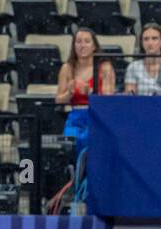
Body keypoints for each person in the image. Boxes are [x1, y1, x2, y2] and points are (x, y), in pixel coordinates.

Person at [56, 27, 115, 164]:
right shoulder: (67, 68)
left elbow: (107, 99)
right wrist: (70, 93)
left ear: (94, 46)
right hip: (75, 116)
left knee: (90, 146)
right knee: (70, 148)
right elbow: (59, 99)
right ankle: (74, 177)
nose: (82, 45)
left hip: (97, 117)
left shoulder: (104, 67)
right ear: (74, 45)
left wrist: (88, 92)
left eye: (87, 41)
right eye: (79, 42)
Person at [124, 22, 161, 95]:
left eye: (154, 38)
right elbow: (130, 97)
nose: (150, 43)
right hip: (140, 105)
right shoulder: (133, 67)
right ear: (141, 42)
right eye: (146, 39)